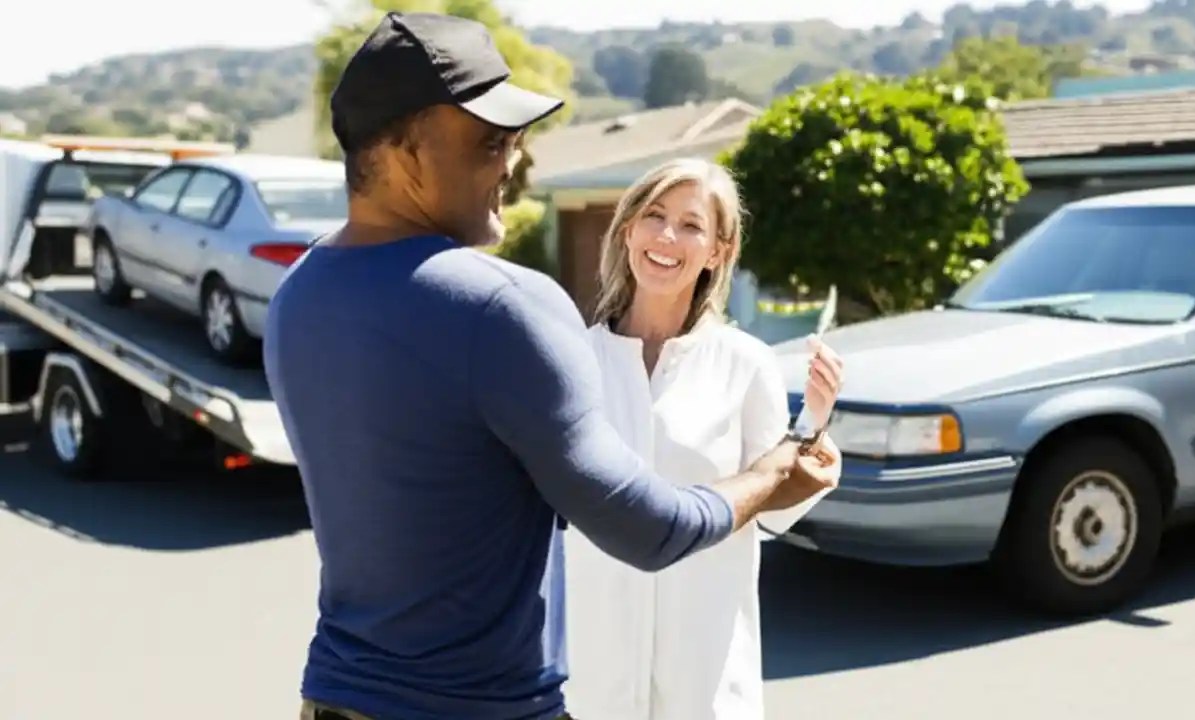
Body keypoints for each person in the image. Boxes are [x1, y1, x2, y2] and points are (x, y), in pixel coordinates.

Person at [261, 12, 840, 720]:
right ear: (407, 151)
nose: (515, 162)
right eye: (491, 142)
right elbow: (649, 530)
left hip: (332, 699)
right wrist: (775, 471)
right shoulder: (501, 306)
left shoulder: (297, 296)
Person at [561, 158, 844, 720]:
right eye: (654, 216)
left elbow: (772, 514)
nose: (667, 236)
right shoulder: (573, 360)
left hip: (706, 685)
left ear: (718, 250)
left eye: (691, 225)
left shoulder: (746, 365)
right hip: (592, 684)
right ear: (627, 231)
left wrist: (812, 424)